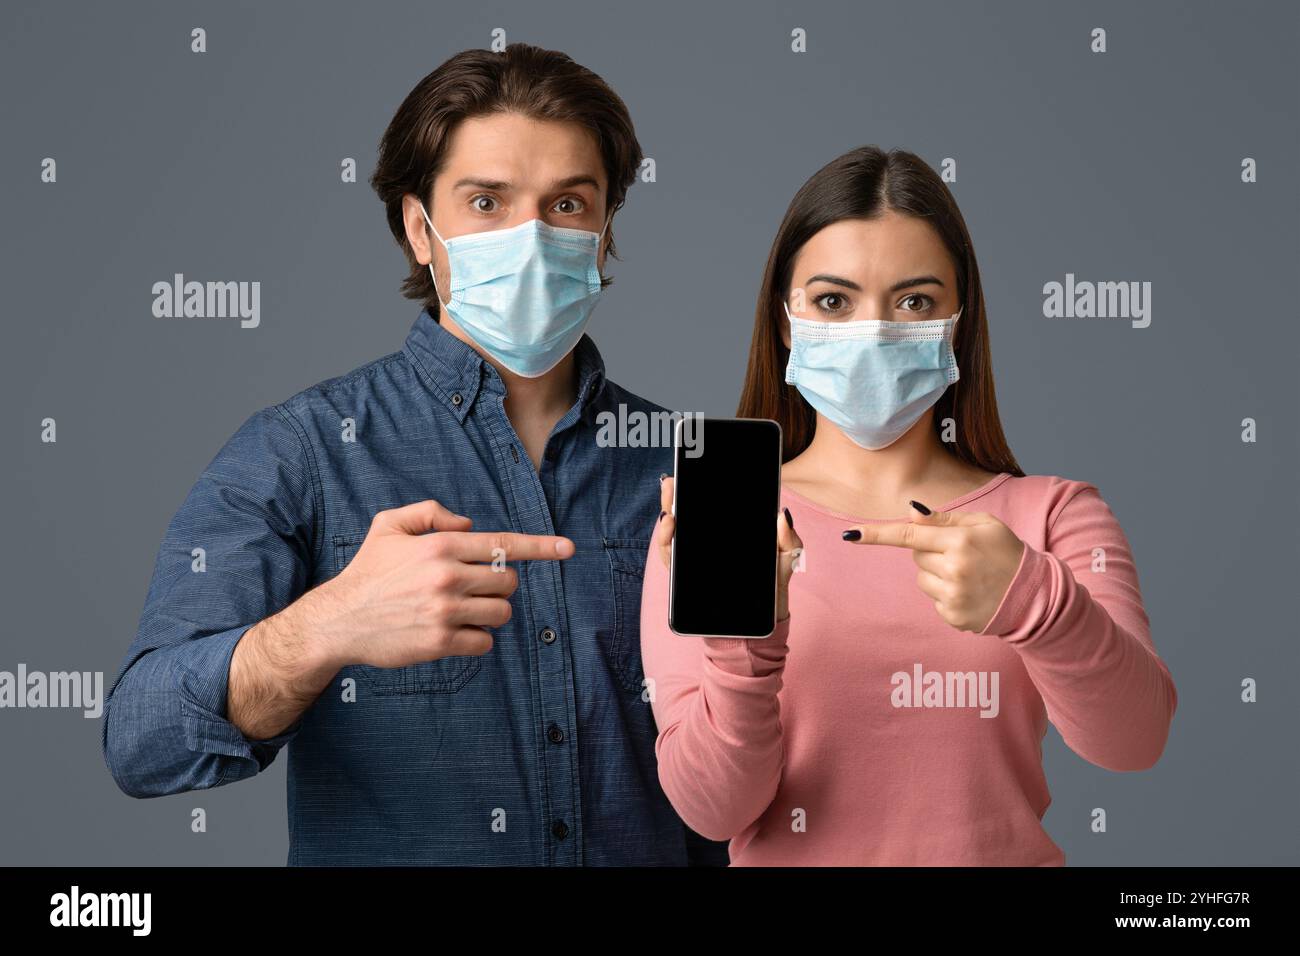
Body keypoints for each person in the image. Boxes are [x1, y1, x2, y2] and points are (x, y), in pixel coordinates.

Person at [102, 43, 727, 866]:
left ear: (605, 231)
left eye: (568, 204)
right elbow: (141, 740)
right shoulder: (302, 452)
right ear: (419, 228)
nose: (531, 237)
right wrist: (329, 625)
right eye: (487, 202)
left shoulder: (695, 471)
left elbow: (753, 778)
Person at [640, 145, 1178, 866]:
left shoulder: (1051, 516)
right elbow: (714, 812)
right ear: (785, 322)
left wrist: (1037, 604)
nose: (875, 331)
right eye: (834, 300)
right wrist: (749, 641)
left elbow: (1134, 743)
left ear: (958, 320)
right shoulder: (721, 521)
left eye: (915, 301)